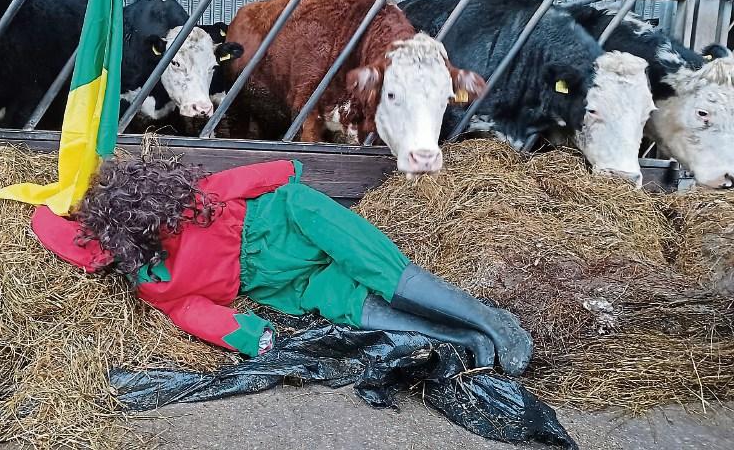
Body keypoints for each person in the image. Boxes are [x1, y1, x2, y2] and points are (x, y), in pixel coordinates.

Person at [31, 157, 533, 375]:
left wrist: (287, 173)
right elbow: (195, 313)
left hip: (295, 219)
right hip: (286, 282)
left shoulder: (190, 201)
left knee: (381, 269)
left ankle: (490, 321)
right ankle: (470, 341)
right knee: (357, 308)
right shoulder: (153, 281)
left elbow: (247, 181)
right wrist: (252, 337)